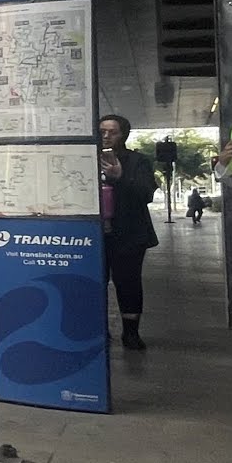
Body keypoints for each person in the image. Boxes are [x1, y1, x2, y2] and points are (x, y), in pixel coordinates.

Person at [99, 114, 158, 350]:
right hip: (97, 235)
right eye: (102, 130)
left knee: (128, 283)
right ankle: (98, 328)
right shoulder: (87, 159)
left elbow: (146, 194)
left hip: (130, 234)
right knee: (96, 281)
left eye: (112, 131)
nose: (106, 136)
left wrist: (120, 177)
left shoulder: (137, 161)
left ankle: (131, 332)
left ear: (123, 134)